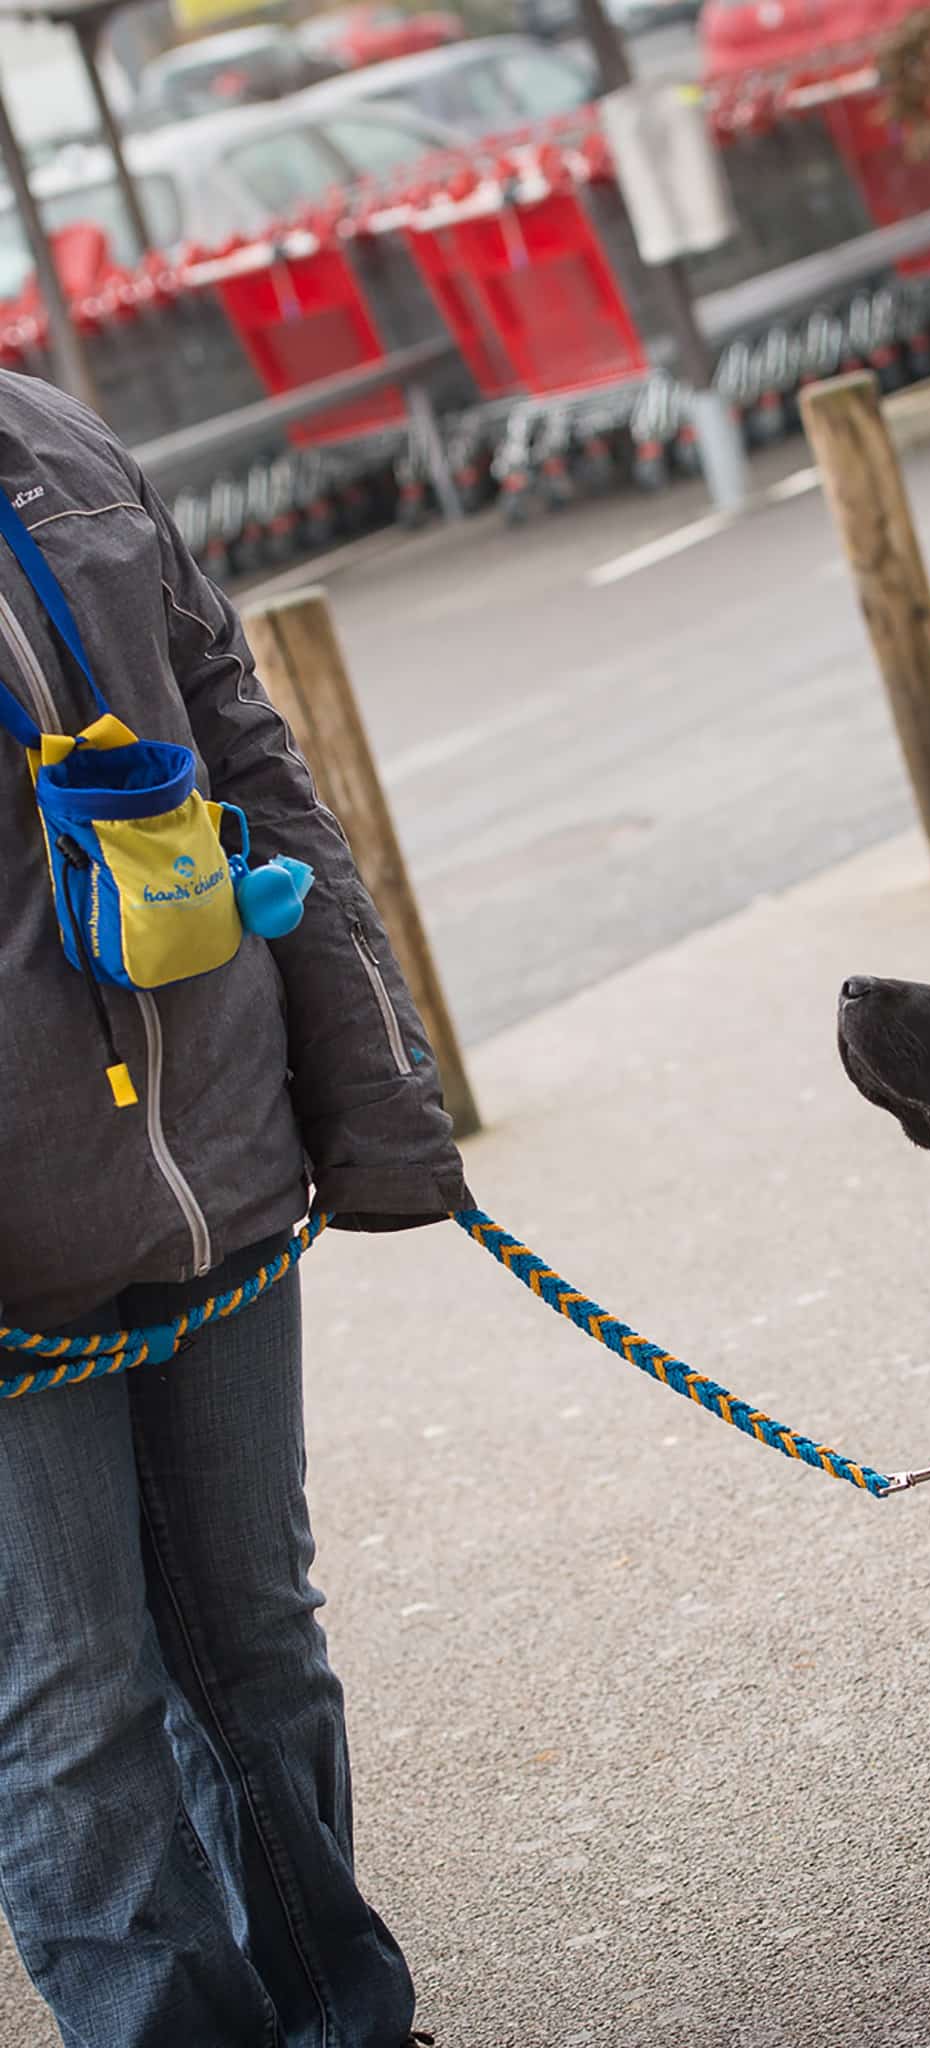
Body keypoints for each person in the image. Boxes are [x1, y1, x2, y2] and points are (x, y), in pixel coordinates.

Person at [0, 370, 465, 2046]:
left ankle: (346, 2022)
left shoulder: (52, 435)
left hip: (214, 1154)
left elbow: (245, 750)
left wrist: (367, 1087)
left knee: (259, 1645)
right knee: (76, 1716)